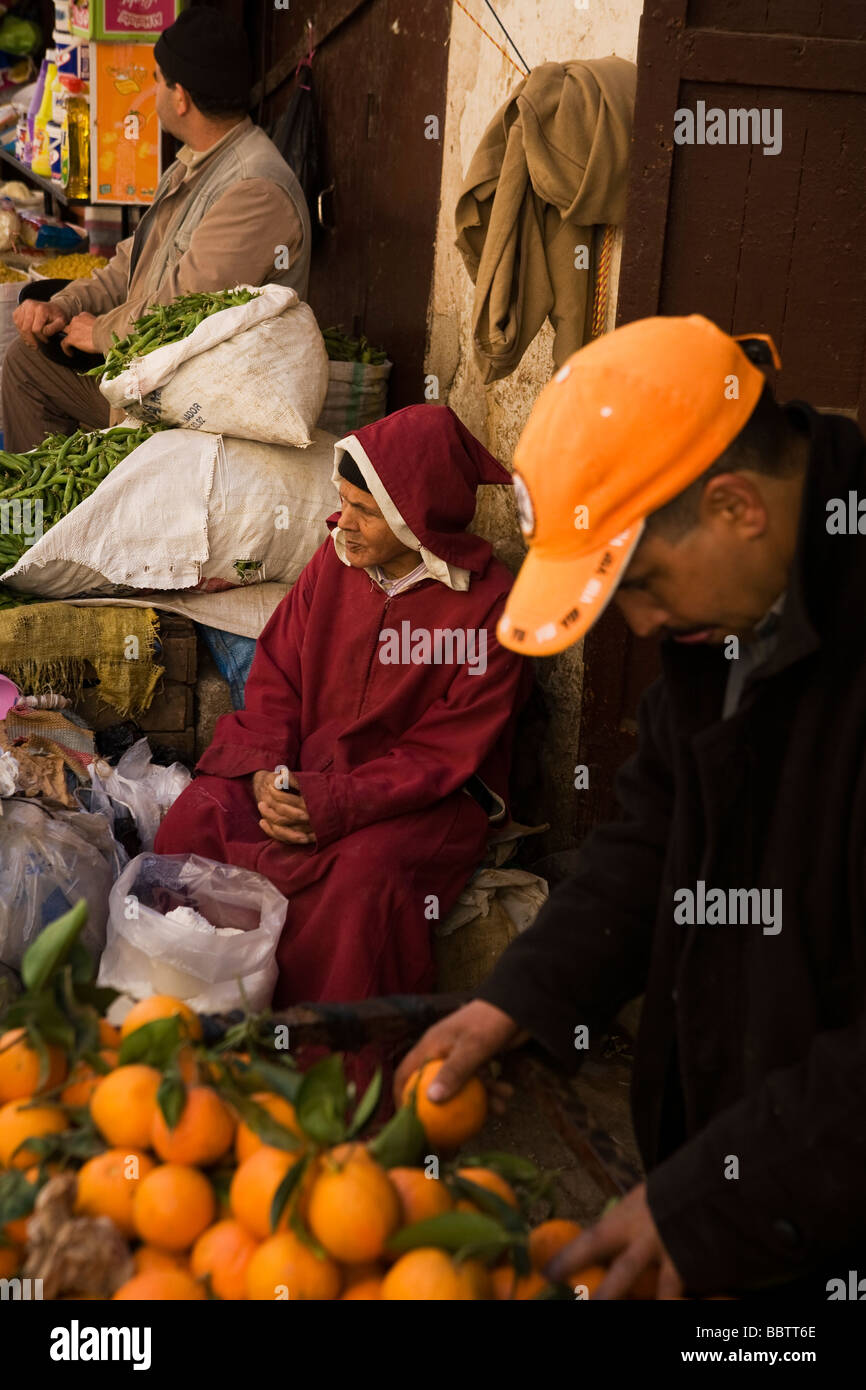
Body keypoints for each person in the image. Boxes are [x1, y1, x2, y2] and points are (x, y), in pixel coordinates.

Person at [395, 314, 866, 1300]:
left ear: (735, 505)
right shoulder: (726, 630)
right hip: (742, 1173)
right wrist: (521, 995)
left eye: (642, 584)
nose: (641, 625)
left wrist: (727, 1199)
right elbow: (650, 832)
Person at [155, 404, 532, 1004]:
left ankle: (326, 1060)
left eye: (365, 511)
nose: (343, 523)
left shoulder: (489, 606)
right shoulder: (332, 564)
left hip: (416, 804)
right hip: (302, 775)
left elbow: (445, 750)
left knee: (361, 877)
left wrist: (339, 802)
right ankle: (190, 1013)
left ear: (418, 520)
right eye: (344, 501)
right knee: (196, 815)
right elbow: (278, 674)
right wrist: (262, 772)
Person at [3, 5, 311, 450]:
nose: (153, 92)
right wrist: (65, 306)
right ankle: (48, 517)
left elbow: (187, 309)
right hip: (150, 380)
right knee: (26, 364)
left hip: (199, 407)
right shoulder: (192, 163)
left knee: (31, 371)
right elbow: (131, 261)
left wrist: (103, 333)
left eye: (157, 80)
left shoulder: (255, 190)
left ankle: (55, 516)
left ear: (180, 96)